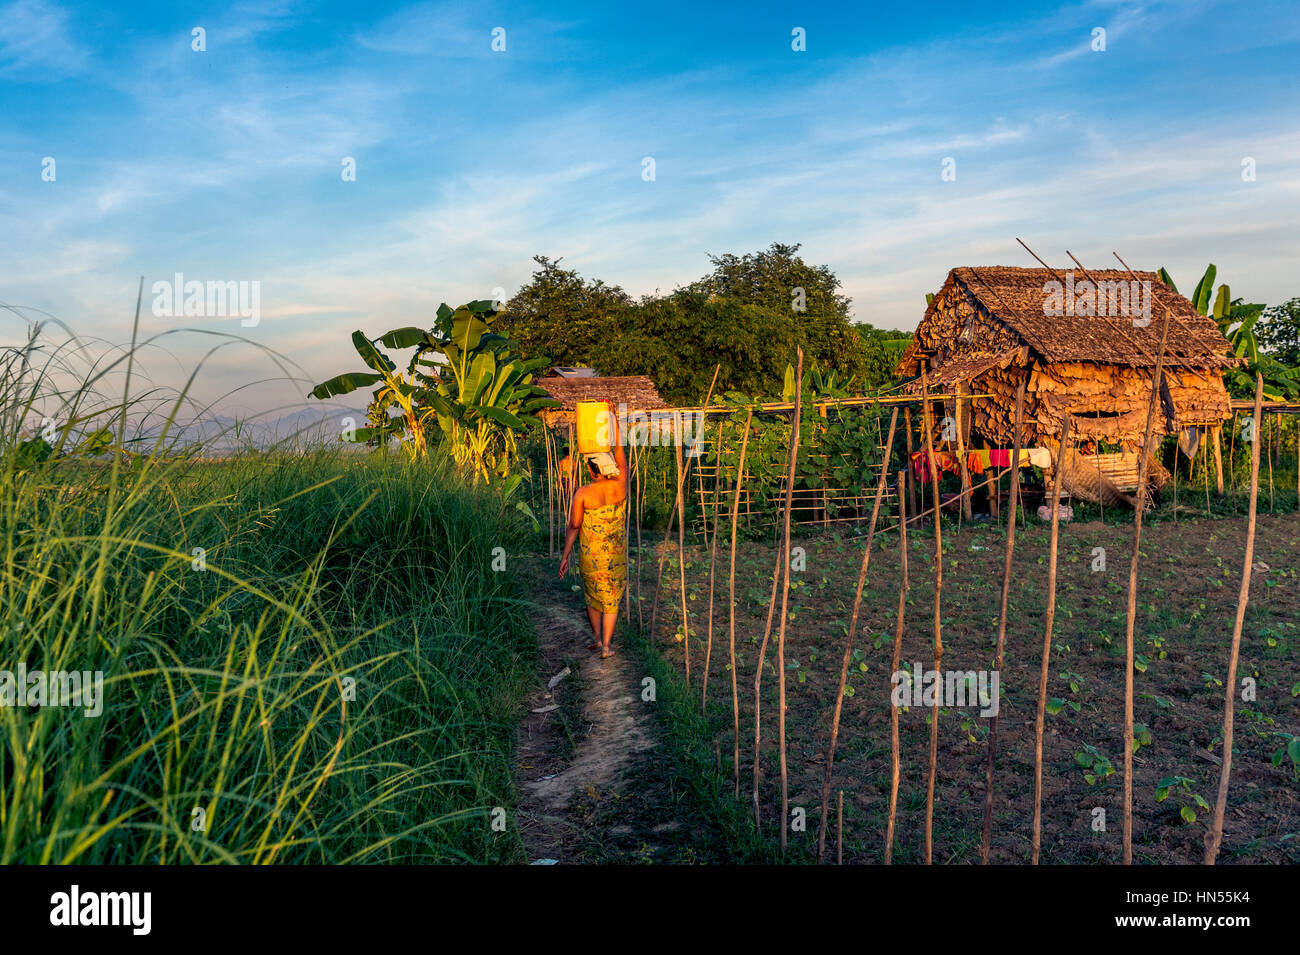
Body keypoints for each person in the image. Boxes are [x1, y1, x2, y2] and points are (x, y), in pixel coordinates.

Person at [558, 402, 627, 658]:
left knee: (593, 597)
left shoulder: (583, 494)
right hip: (616, 557)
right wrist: (613, 419)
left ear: (592, 468)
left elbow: (574, 526)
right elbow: (620, 451)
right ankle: (607, 646)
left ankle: (597, 639)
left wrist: (565, 557)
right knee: (611, 599)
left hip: (592, 556)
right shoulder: (621, 485)